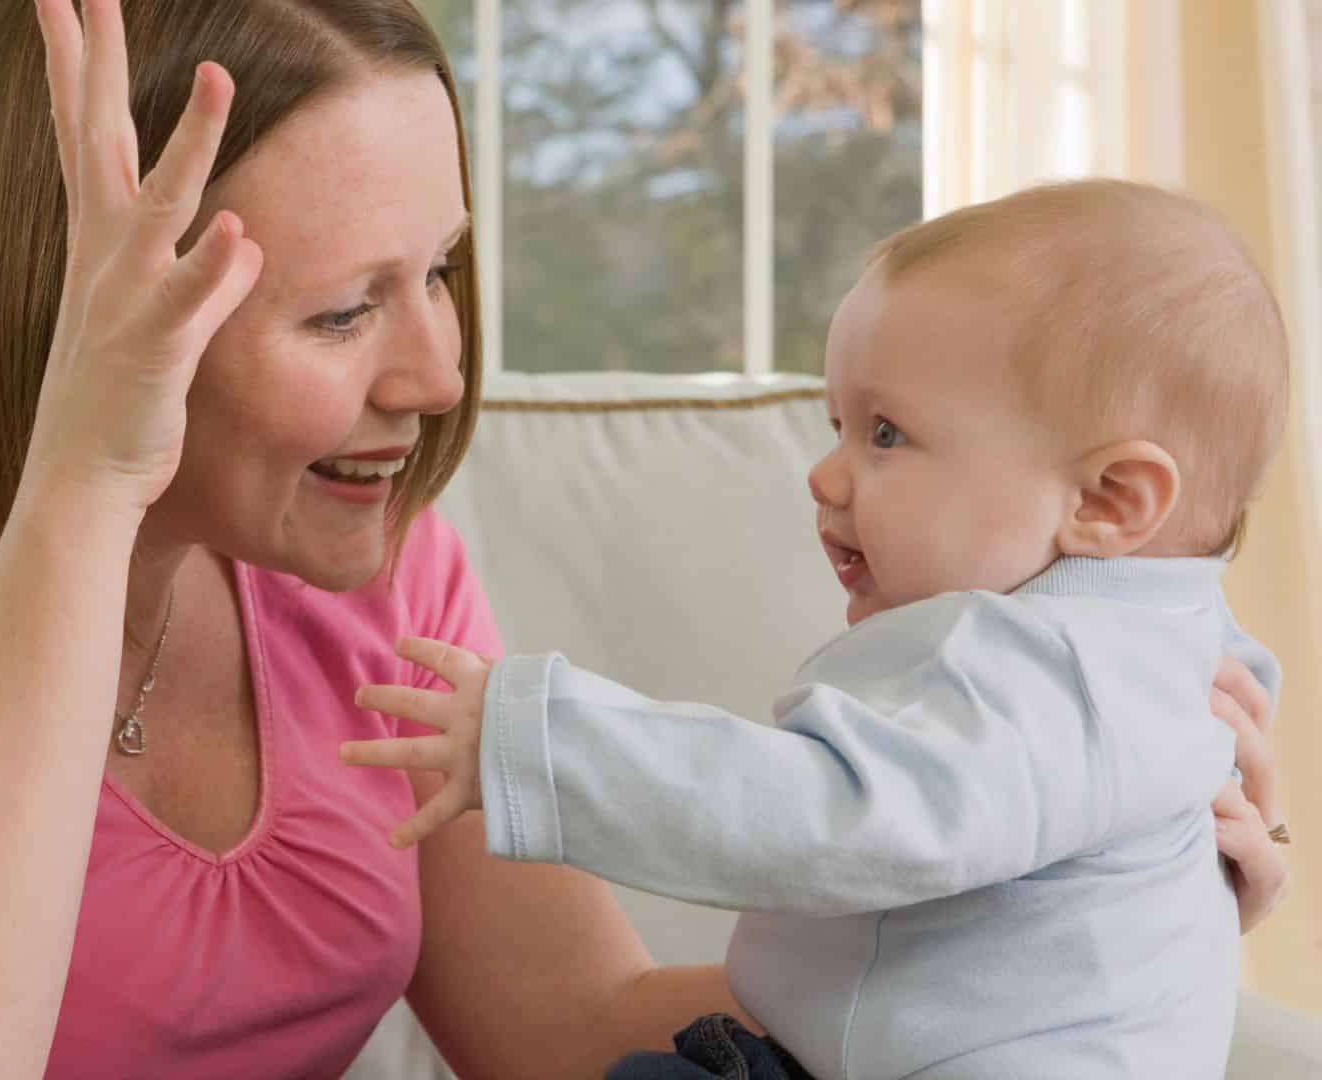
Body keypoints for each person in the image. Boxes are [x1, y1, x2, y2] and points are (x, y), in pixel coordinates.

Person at [0, 0, 1289, 1075]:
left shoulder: (362, 567)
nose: (442, 373)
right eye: (341, 314)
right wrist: (85, 492)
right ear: (63, 314)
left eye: (440, 273)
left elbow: (558, 1035)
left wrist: (1056, 907)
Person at [341, 179, 1294, 1078]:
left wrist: (543, 742)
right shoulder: (1174, 642)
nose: (825, 478)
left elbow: (833, 814)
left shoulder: (1034, 666)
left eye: (885, 435)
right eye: (839, 424)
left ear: (1111, 499)